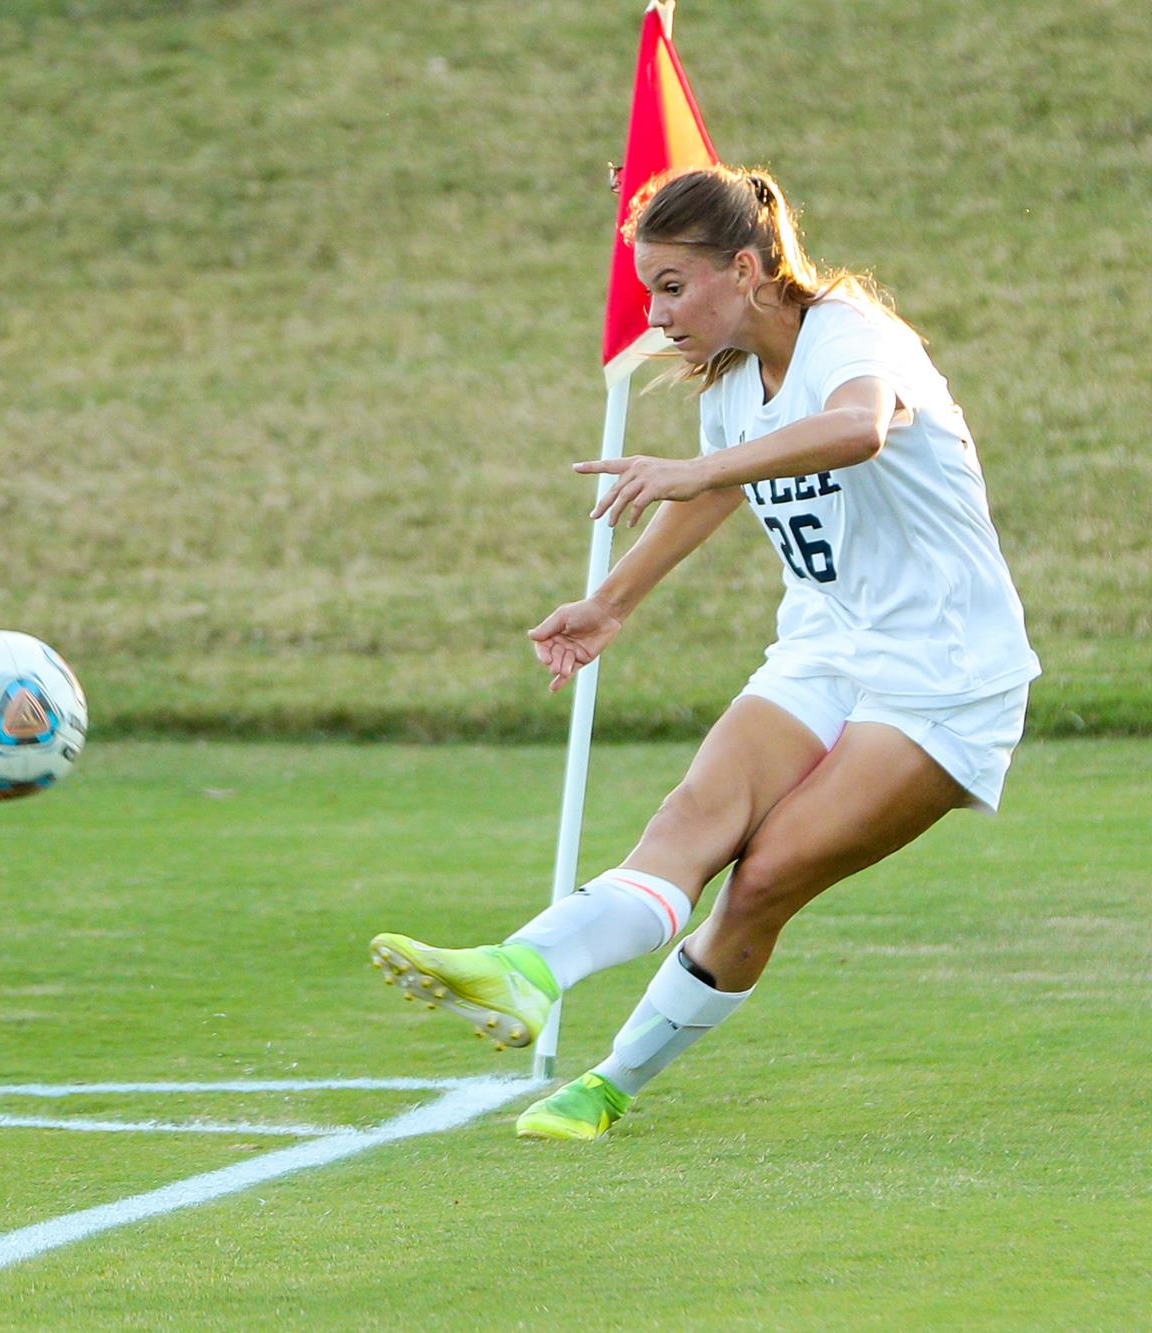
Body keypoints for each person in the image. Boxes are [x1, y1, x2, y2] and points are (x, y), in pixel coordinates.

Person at [370, 163, 1041, 1140]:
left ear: (742, 266)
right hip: (823, 647)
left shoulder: (854, 336)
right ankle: (524, 967)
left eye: (671, 288)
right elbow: (719, 492)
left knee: (762, 877)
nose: (656, 316)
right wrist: (609, 603)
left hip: (943, 675)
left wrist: (694, 465)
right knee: (687, 824)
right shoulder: (730, 386)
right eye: (649, 293)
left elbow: (853, 430)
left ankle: (610, 1083)